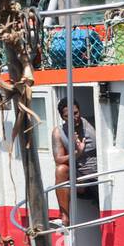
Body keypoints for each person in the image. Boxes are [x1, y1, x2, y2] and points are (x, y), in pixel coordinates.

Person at [52, 96, 99, 226]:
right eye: (68, 116)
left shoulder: (93, 124)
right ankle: (64, 217)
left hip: (99, 175)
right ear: (63, 117)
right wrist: (76, 153)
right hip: (80, 180)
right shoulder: (59, 132)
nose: (74, 117)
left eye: (76, 113)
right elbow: (58, 159)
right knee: (61, 169)